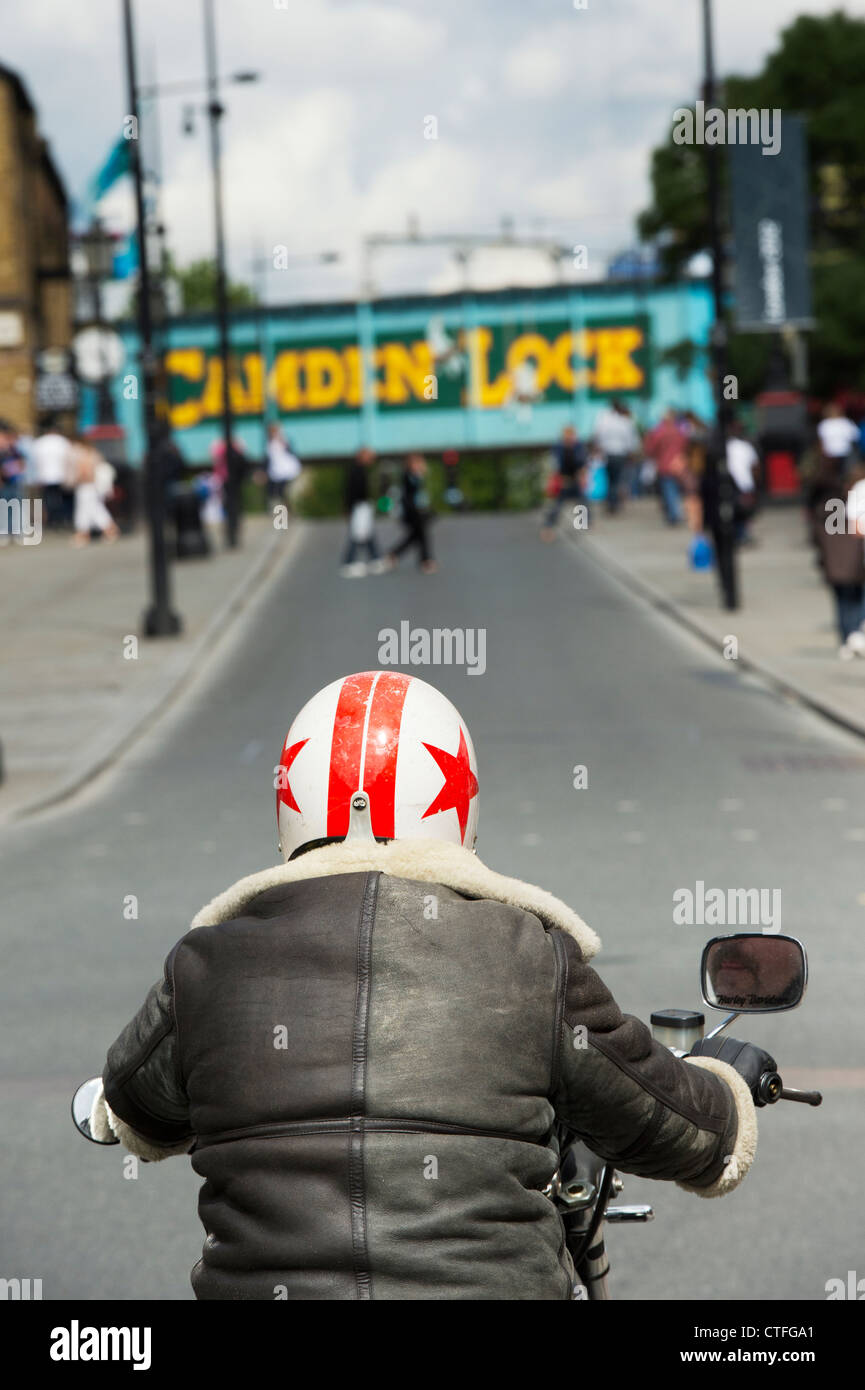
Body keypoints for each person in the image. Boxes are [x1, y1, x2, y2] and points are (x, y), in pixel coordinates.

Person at [88, 671, 770, 1301]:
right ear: (458, 807)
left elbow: (133, 1109)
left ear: (289, 810)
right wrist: (727, 1086)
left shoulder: (206, 966)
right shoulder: (529, 958)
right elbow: (689, 1135)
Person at [812, 462, 865, 659]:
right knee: (855, 599)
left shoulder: (828, 507)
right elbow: (857, 527)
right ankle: (853, 635)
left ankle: (847, 639)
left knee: (843, 601)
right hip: (854, 564)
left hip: (838, 565)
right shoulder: (856, 496)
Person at [386, 452, 436, 573]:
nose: (420, 465)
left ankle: (394, 554)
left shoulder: (415, 476)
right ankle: (426, 561)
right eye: (417, 463)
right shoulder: (408, 476)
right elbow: (408, 497)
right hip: (412, 512)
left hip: (416, 511)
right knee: (421, 535)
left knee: (416, 535)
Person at [68, 435, 119, 547]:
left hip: (85, 487)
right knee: (91, 509)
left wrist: (74, 480)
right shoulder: (93, 453)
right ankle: (86, 533)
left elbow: (85, 473)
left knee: (88, 510)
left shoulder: (83, 455)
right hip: (92, 487)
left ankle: (89, 533)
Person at [341, 447, 384, 577]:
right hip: (358, 507)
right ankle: (349, 562)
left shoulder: (360, 470)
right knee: (356, 534)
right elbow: (351, 492)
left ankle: (375, 558)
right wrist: (349, 508)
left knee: (367, 532)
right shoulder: (355, 471)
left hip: (362, 506)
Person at [592, 400, 640, 516]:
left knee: (610, 479)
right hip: (620, 453)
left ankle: (611, 502)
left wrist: (598, 448)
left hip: (607, 453)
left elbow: (597, 435)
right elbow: (630, 438)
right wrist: (632, 452)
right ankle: (615, 502)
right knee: (618, 479)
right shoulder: (624, 421)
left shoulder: (603, 420)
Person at [540, 425, 588, 540]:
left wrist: (583, 477)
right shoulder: (558, 448)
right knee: (556, 506)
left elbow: (582, 463)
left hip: (575, 478)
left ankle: (582, 527)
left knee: (582, 504)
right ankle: (548, 527)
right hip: (563, 479)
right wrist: (555, 479)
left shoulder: (578, 447)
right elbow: (554, 464)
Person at [644, 410, 688, 525]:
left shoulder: (659, 432)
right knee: (676, 490)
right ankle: (676, 513)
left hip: (664, 465)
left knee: (668, 490)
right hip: (678, 465)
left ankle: (673, 515)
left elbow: (650, 449)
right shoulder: (679, 431)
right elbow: (686, 446)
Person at [725, 418, 761, 545]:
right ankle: (742, 534)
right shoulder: (746, 446)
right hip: (745, 484)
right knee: (745, 512)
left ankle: (740, 534)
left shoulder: (727, 446)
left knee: (737, 512)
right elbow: (755, 466)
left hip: (734, 484)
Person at [31, 421, 72, 529]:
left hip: (45, 476)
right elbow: (68, 459)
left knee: (48, 499)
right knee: (62, 499)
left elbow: (35, 462)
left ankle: (51, 520)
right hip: (61, 475)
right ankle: (62, 518)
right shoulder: (63, 441)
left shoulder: (39, 442)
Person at [817, 402, 860, 476]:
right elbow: (855, 437)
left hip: (839, 453)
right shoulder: (845, 422)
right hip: (834, 453)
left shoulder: (844, 422)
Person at [266, 424, 302, 512]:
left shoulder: (282, 440)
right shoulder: (269, 443)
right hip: (276, 471)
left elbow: (289, 450)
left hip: (286, 469)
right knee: (278, 493)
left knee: (284, 491)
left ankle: (288, 510)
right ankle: (284, 511)